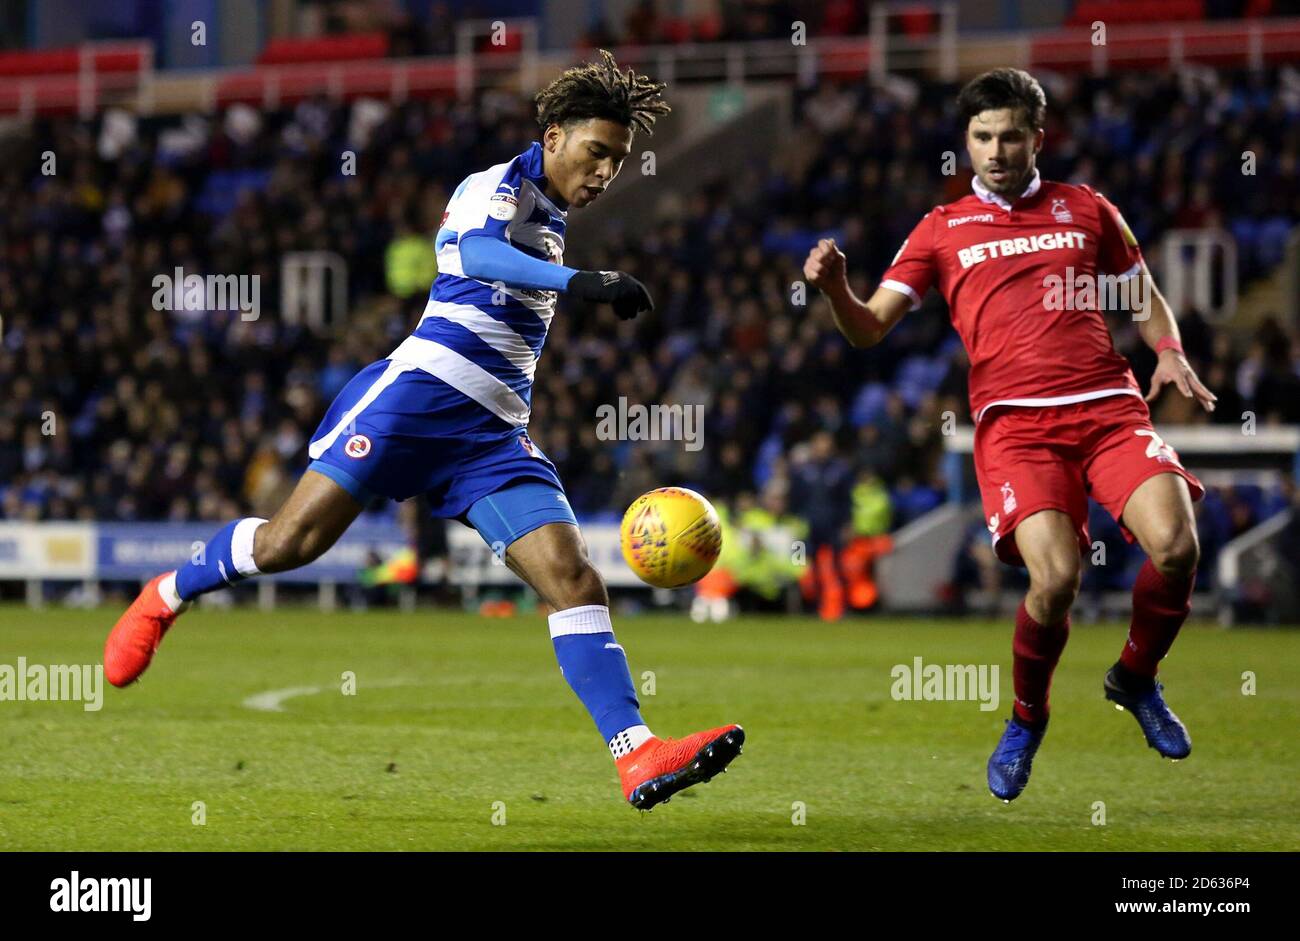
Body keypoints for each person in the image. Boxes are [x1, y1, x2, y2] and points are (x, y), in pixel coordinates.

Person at [105, 51, 743, 811]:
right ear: (553, 134)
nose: (607, 171)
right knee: (289, 545)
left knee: (574, 580)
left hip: (493, 434)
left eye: (619, 160)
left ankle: (637, 755)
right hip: (419, 399)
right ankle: (166, 592)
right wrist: (582, 282)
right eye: (596, 151)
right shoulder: (496, 186)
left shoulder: (555, 217)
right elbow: (474, 254)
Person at [803, 68, 1213, 801]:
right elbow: (868, 328)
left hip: (1109, 408)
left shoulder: (1086, 208)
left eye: (1010, 135)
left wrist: (1171, 350)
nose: (995, 150)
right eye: (982, 136)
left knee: (1178, 547)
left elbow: (1144, 297)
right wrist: (836, 288)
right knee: (1055, 580)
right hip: (1018, 429)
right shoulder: (941, 228)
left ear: (1037, 138)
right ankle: (1027, 717)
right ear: (966, 141)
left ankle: (1135, 677)